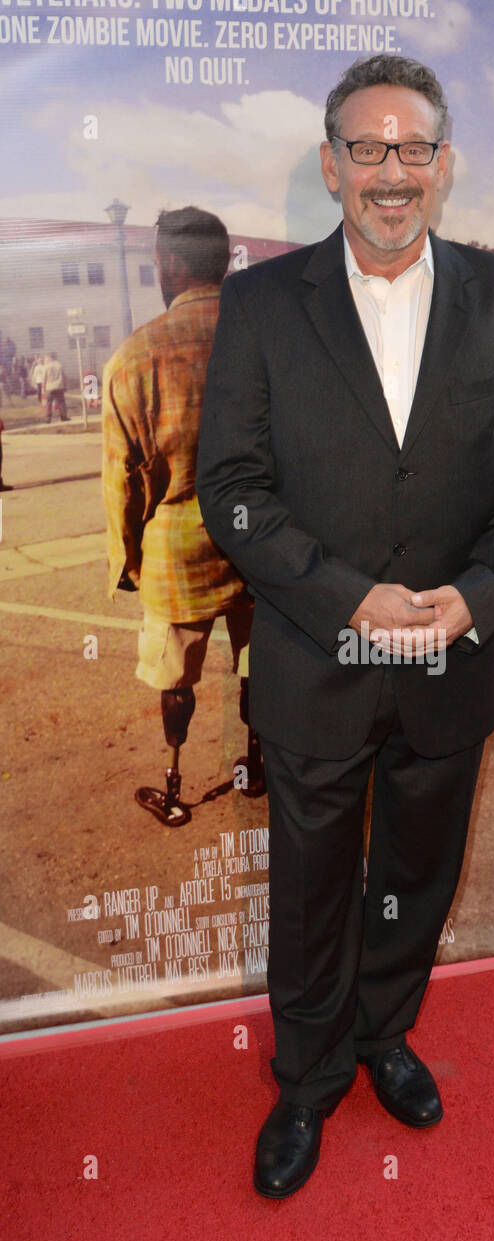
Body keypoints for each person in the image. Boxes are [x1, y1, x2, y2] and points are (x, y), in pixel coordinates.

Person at [196, 54, 494, 1199]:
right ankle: (306, 1080)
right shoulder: (262, 305)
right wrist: (343, 594)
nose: (391, 171)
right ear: (329, 167)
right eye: (367, 148)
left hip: (449, 662)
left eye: (413, 148)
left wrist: (480, 593)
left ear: (443, 167)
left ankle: (383, 1035)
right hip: (319, 657)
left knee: (416, 868)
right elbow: (235, 486)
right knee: (312, 882)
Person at [101, 206, 264, 828]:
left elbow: (122, 482)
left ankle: (174, 782)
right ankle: (256, 763)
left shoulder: (135, 357)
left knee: (176, 672)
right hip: (262, 540)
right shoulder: (270, 339)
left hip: (176, 549)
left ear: (169, 264)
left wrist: (127, 562)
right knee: (258, 658)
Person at [43, 352, 68, 421]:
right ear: (55, 357)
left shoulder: (46, 366)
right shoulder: (59, 365)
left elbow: (44, 378)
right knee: (61, 402)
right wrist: (65, 386)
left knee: (49, 403)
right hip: (59, 386)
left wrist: (43, 387)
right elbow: (64, 376)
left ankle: (48, 418)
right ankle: (63, 417)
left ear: (50, 357)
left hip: (49, 387)